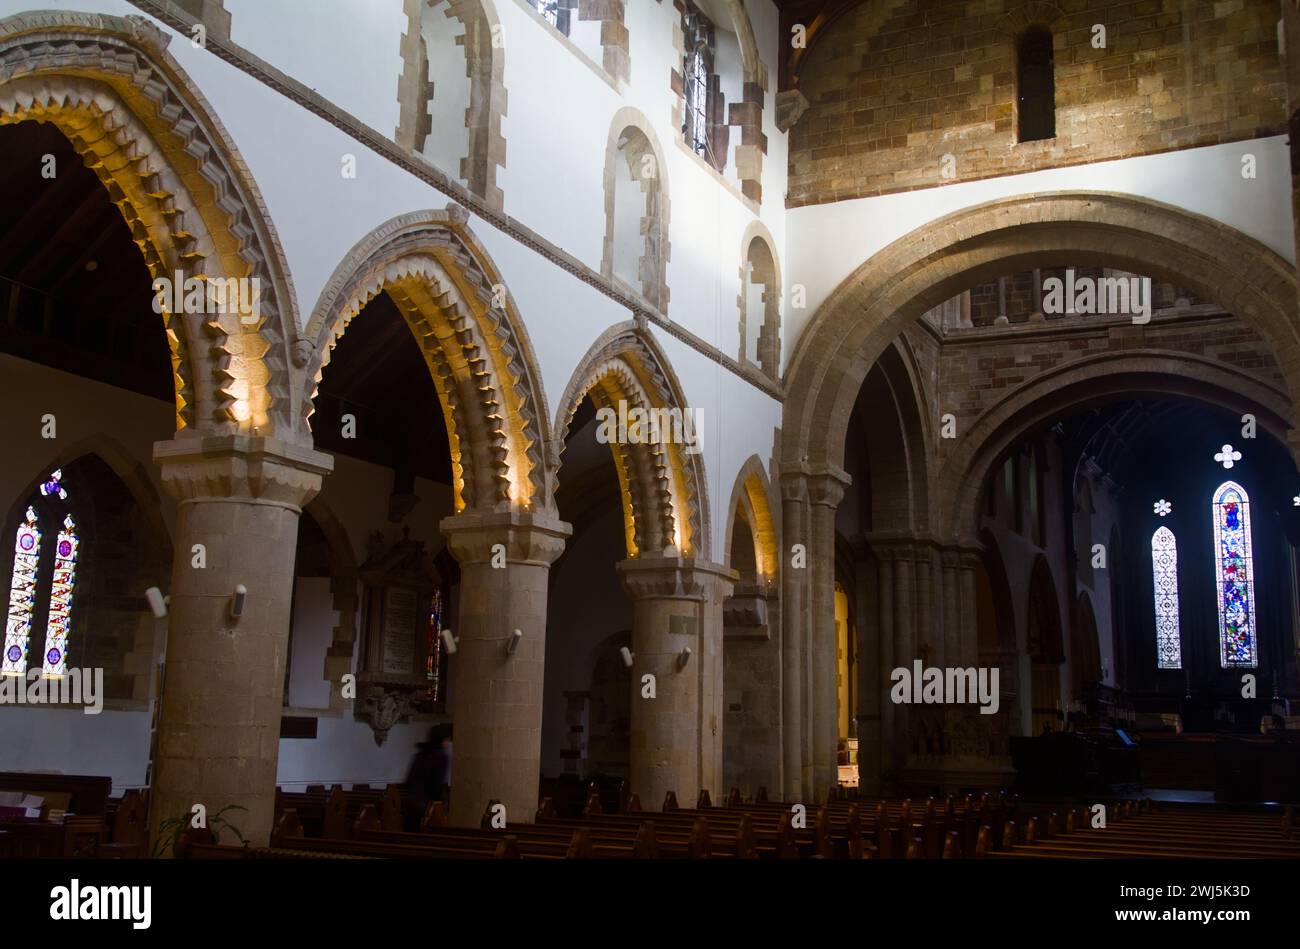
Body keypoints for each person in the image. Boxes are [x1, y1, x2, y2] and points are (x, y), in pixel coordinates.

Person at [405, 724, 452, 828]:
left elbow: (409, 779)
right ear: (443, 740)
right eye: (447, 740)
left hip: (411, 804)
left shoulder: (421, 754)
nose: (448, 743)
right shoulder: (440, 756)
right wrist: (440, 805)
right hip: (427, 805)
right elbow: (436, 783)